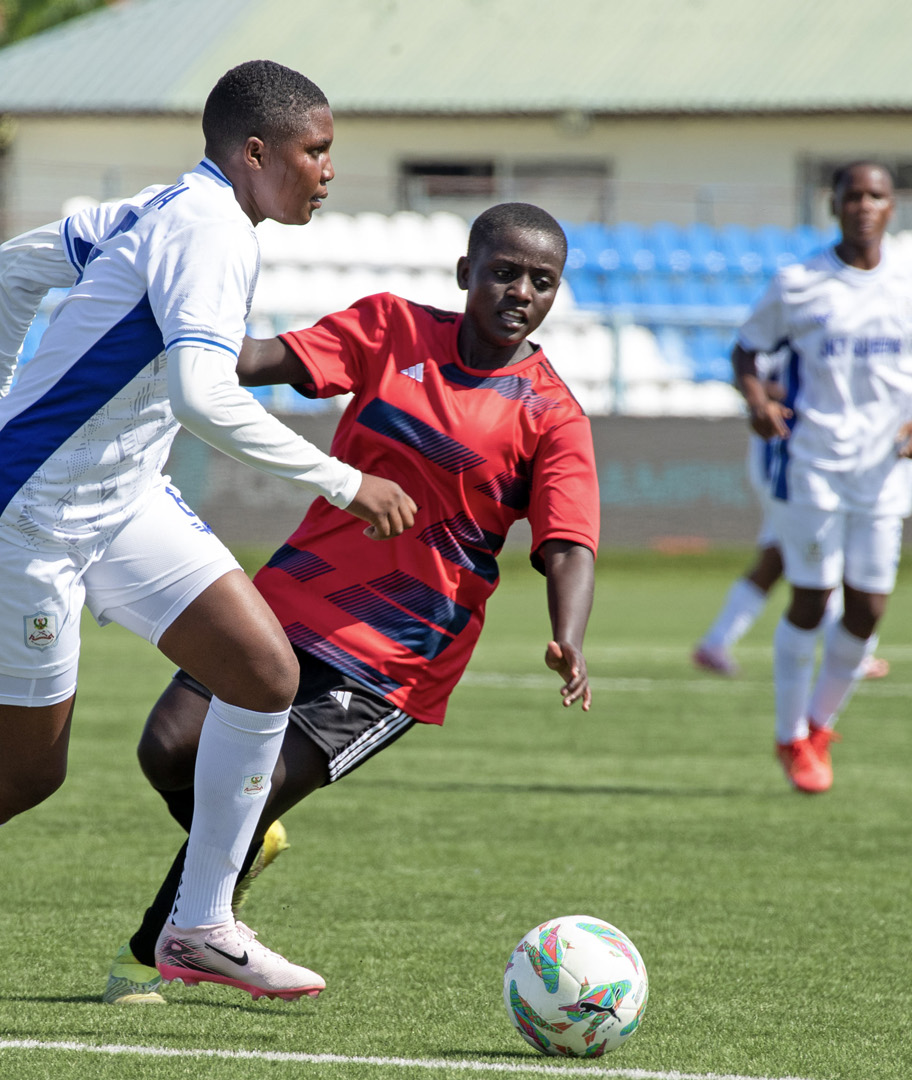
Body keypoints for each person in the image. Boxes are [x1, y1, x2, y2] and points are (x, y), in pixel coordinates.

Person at [0, 60, 418, 1029]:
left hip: (119, 501)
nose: (328, 171)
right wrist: (345, 480)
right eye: (317, 151)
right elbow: (203, 396)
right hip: (20, 523)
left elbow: (12, 270)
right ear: (256, 154)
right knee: (25, 773)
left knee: (264, 672)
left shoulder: (169, 206)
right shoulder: (209, 230)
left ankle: (198, 925)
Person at [93, 202, 598, 1006]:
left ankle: (148, 954)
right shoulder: (391, 329)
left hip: (397, 652)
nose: (521, 293)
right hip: (291, 597)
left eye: (542, 282)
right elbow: (263, 359)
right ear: (465, 273)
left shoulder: (552, 413)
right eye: (504, 272)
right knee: (165, 748)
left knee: (247, 789)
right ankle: (239, 853)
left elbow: (568, 539)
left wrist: (567, 634)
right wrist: (176, 331)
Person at [739, 161, 912, 794]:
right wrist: (758, 401)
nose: (864, 204)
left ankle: (818, 725)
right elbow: (744, 351)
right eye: (852, 195)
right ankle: (790, 737)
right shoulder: (799, 283)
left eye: (877, 195)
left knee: (868, 607)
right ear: (833, 205)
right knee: (811, 598)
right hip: (814, 461)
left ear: (893, 207)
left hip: (886, 466)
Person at [692, 358, 889, 681]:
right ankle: (853, 651)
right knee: (821, 548)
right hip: (784, 464)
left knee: (778, 558)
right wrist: (796, 392)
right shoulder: (783, 326)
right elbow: (743, 374)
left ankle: (716, 643)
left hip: (803, 462)